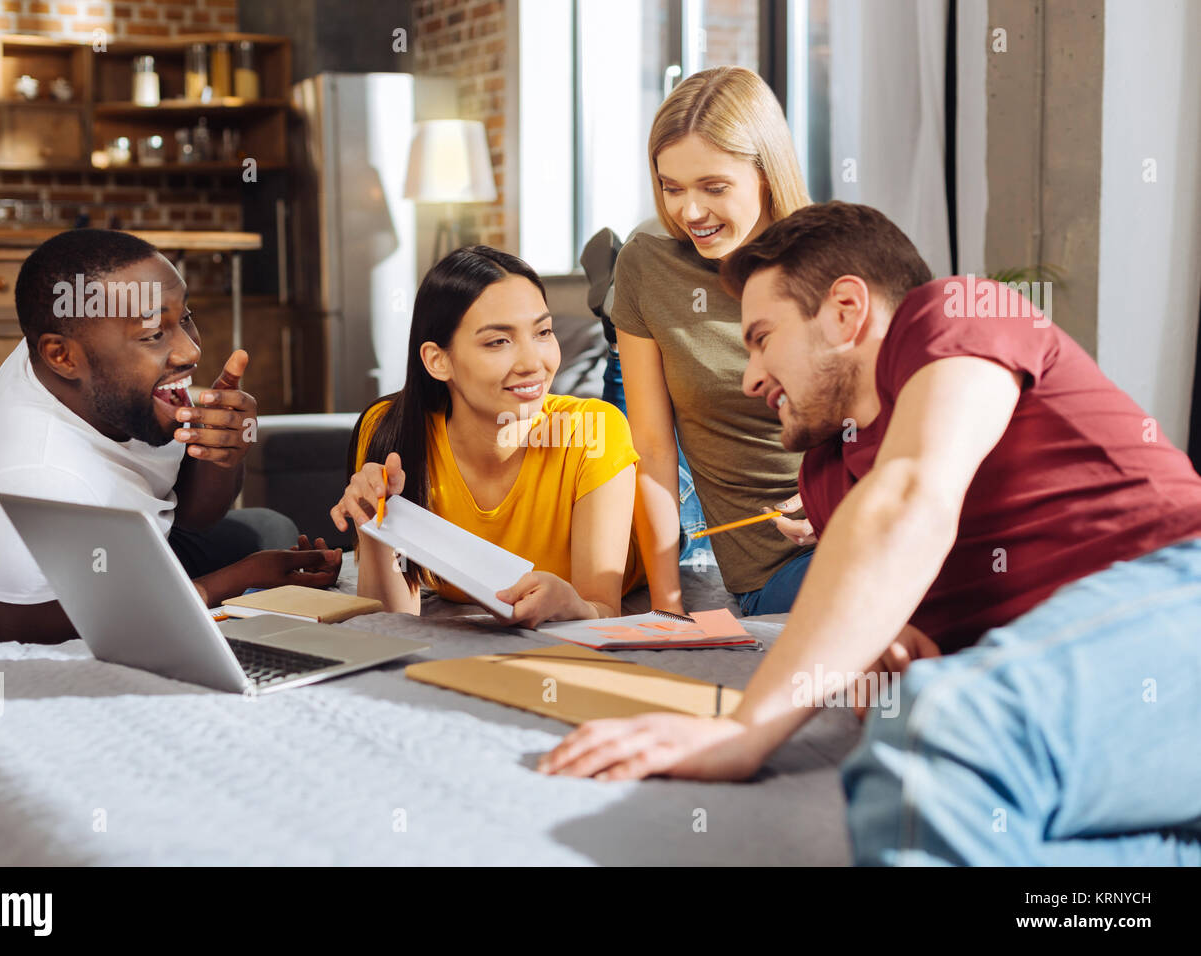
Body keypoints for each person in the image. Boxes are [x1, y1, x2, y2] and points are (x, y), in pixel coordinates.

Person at [539, 201, 1201, 866]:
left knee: (936, 727)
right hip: (1116, 705)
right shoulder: (827, 474)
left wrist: (746, 730)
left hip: (1179, 594)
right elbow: (886, 607)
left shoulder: (957, 310)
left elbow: (913, 495)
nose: (748, 379)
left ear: (846, 311)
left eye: (762, 338)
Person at [0, 229, 340, 644]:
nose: (190, 352)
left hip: (123, 540)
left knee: (271, 530)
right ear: (62, 356)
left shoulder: (94, 360)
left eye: (184, 317)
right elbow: (13, 629)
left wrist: (220, 451)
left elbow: (195, 516)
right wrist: (225, 584)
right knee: (259, 563)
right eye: (153, 335)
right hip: (43, 596)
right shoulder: (32, 472)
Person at [331, 245, 642, 627]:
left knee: (661, 463)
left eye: (543, 332)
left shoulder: (595, 432)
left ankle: (620, 337)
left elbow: (602, 610)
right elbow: (394, 620)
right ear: (437, 360)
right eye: (499, 341)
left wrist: (575, 605)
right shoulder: (390, 430)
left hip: (655, 518)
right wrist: (378, 522)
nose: (533, 364)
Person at [610, 66, 814, 616]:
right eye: (670, 188)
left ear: (766, 174)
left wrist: (847, 497)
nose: (689, 212)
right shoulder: (649, 270)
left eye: (713, 188)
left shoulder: (831, 261)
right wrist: (667, 608)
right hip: (780, 568)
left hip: (878, 530)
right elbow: (650, 450)